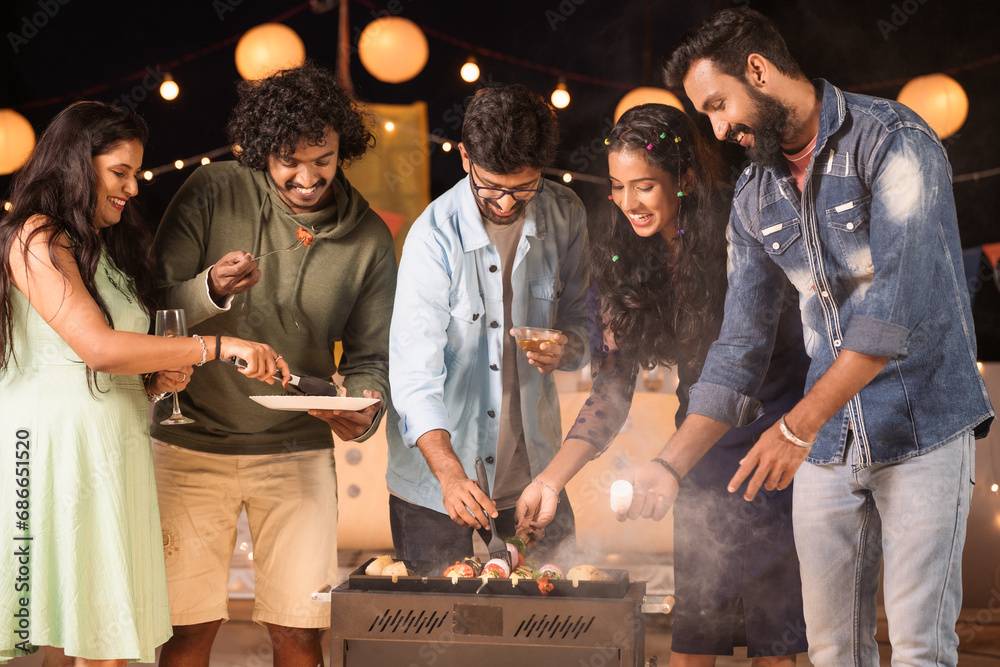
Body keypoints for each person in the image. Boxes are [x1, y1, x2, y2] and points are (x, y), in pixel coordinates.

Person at [623, 8, 994, 667]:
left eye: (719, 104)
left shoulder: (894, 141)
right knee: (830, 650)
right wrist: (668, 466)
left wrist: (794, 426)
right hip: (827, 444)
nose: (717, 128)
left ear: (759, 72)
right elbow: (737, 351)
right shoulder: (755, 198)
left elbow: (890, 313)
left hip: (923, 429)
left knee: (918, 647)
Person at [515, 103, 809, 665]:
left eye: (645, 186)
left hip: (777, 448)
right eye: (619, 186)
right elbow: (610, 391)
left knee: (776, 643)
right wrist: (552, 482)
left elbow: (768, 357)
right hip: (694, 457)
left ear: (686, 179)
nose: (629, 203)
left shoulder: (739, 238)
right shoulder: (623, 258)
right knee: (694, 636)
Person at [0, 101, 286, 666]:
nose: (132, 187)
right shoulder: (37, 236)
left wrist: (154, 379)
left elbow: (113, 355)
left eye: (135, 173)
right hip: (61, 447)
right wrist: (218, 347)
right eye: (120, 172)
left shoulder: (101, 249)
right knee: (95, 627)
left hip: (113, 444)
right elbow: (99, 349)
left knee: (96, 627)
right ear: (77, 165)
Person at [151, 62, 396, 667]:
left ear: (344, 149)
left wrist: (360, 410)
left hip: (296, 452)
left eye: (324, 159)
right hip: (189, 444)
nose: (307, 177)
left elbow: (371, 358)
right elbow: (152, 309)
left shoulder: (368, 239)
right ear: (262, 150)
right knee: (187, 630)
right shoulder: (213, 191)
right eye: (289, 159)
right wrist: (210, 287)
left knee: (298, 631)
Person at [387, 84, 589, 563]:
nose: (504, 203)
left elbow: (583, 324)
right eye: (492, 186)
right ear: (463, 158)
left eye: (522, 188)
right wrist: (451, 476)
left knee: (557, 623)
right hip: (437, 487)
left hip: (534, 475)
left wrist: (569, 348)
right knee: (439, 627)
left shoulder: (566, 215)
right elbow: (414, 379)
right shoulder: (432, 238)